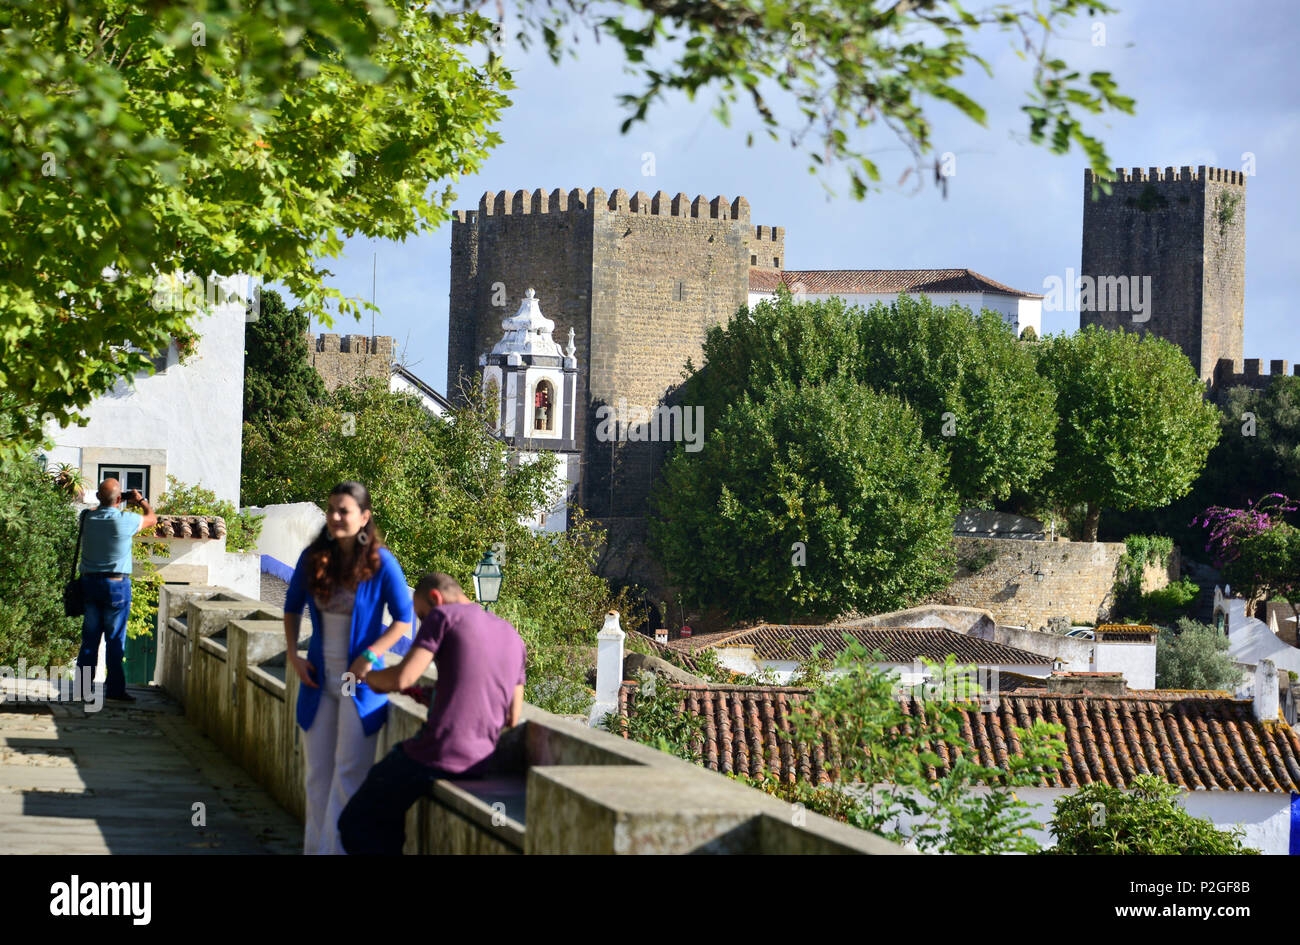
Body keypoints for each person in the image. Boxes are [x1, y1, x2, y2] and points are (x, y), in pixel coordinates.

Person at [338, 572, 526, 855]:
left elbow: (403, 678)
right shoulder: (512, 636)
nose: (424, 622)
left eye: (422, 615)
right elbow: (511, 715)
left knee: (355, 822)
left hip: (435, 754)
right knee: (387, 820)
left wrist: (366, 677)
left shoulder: (444, 617)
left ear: (436, 599)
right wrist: (434, 697)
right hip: (480, 760)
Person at [283, 481, 414, 855]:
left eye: (344, 511)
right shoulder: (313, 558)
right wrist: (294, 654)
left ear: (364, 517)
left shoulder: (381, 562)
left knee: (349, 777)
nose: (336, 517)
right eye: (331, 510)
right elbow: (291, 607)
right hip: (319, 680)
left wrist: (370, 655)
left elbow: (404, 619)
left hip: (360, 686)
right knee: (318, 777)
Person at [77, 479, 157, 703]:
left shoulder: (86, 517)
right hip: (116, 586)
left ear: (98, 498)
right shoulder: (126, 520)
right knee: (114, 640)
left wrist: (108, 499)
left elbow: (95, 508)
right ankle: (114, 690)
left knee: (90, 640)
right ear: (120, 500)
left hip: (90, 584)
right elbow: (152, 518)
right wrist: (140, 500)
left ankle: (83, 689)